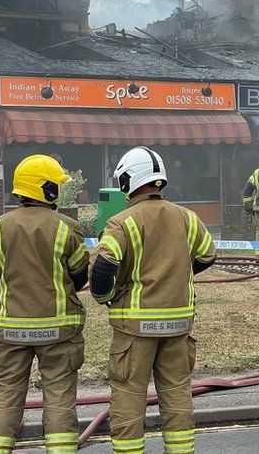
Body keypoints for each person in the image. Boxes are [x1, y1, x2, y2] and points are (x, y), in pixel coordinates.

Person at [91, 146, 216, 454]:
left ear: (126, 182)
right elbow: (207, 254)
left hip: (135, 330)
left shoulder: (122, 222)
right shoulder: (188, 218)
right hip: (177, 327)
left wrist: (108, 297)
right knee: (176, 396)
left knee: (128, 397)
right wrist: (178, 275)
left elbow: (103, 269)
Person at [0, 155, 88, 454]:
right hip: (59, 331)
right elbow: (79, 275)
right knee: (60, 398)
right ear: (47, 190)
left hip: (11, 330)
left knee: (6, 397)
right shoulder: (67, 227)